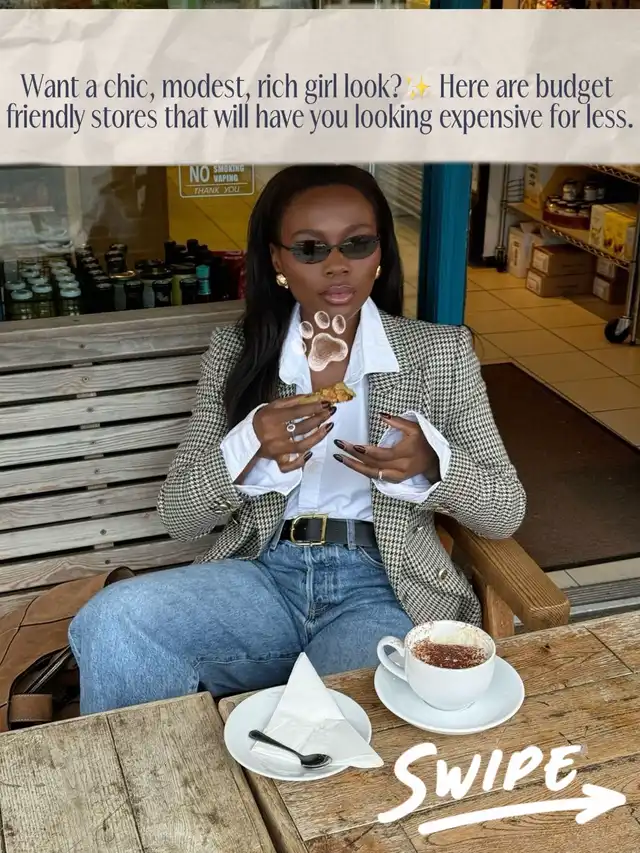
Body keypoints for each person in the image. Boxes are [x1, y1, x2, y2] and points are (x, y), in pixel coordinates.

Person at [69, 164, 526, 715]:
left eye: (357, 244)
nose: (338, 265)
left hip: (382, 587)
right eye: (310, 249)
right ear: (277, 260)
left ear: (380, 253)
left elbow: (505, 511)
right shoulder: (238, 352)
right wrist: (249, 446)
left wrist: (432, 466)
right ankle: (145, 772)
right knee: (114, 620)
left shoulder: (439, 353)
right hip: (265, 575)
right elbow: (179, 515)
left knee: (322, 719)